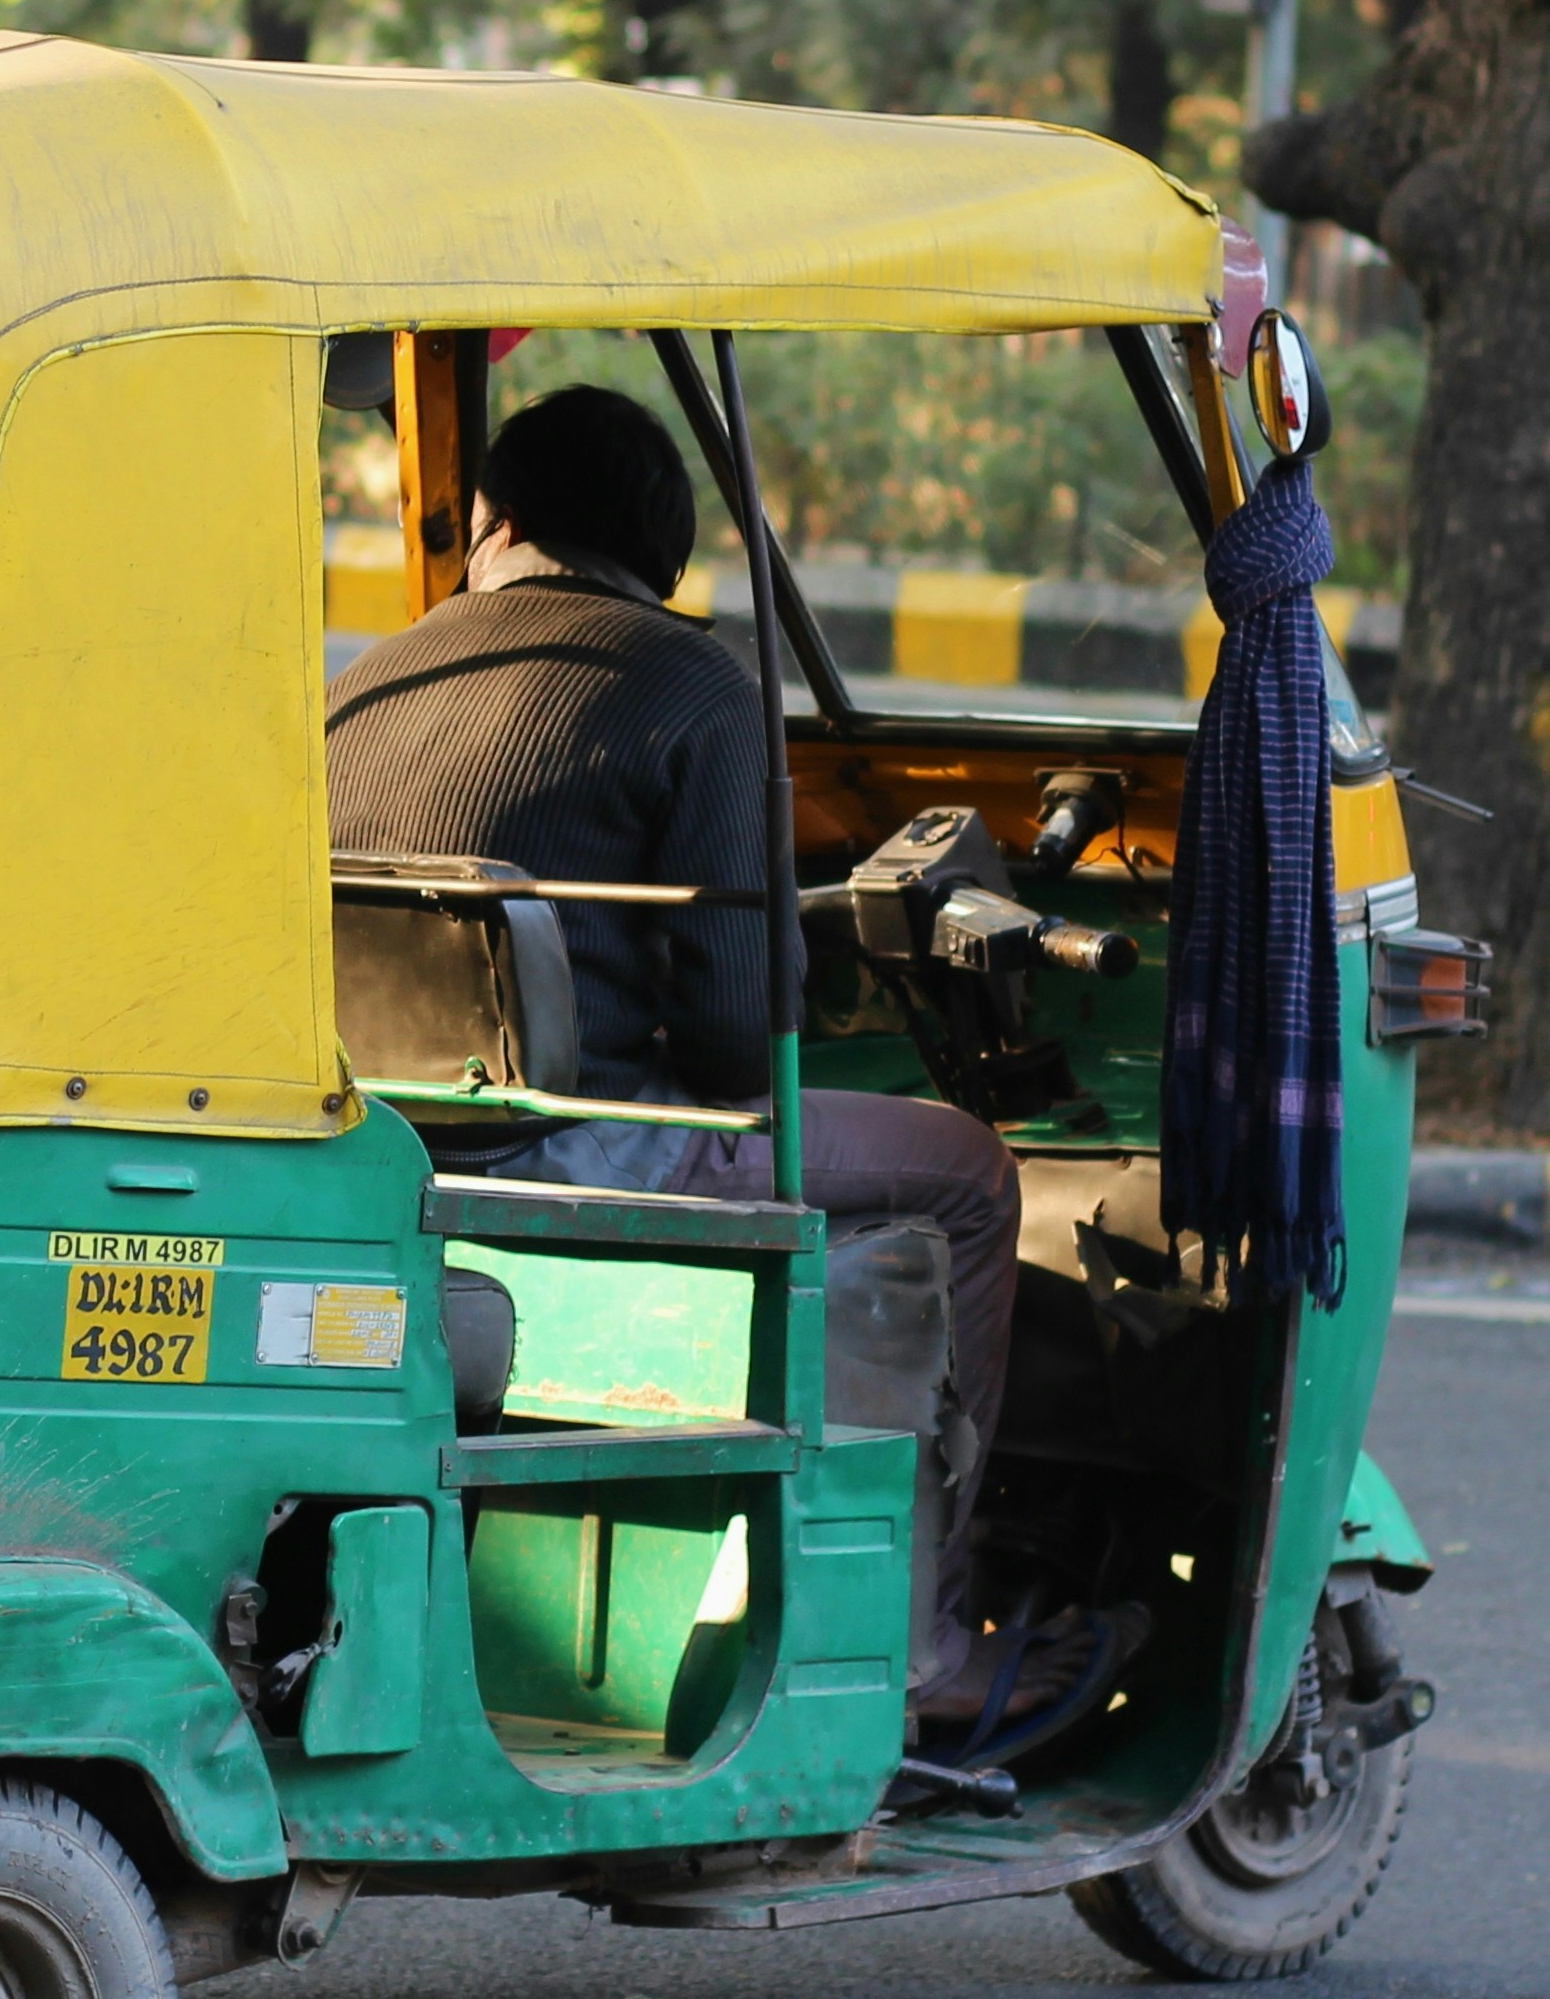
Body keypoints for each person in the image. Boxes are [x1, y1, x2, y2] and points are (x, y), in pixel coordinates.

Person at [322, 382, 1125, 1733]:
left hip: (377, 1148)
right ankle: (926, 1645)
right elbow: (736, 1041)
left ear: (495, 523)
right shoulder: (696, 688)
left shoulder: (365, 683)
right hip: (571, 1146)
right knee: (965, 1171)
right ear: (664, 554)